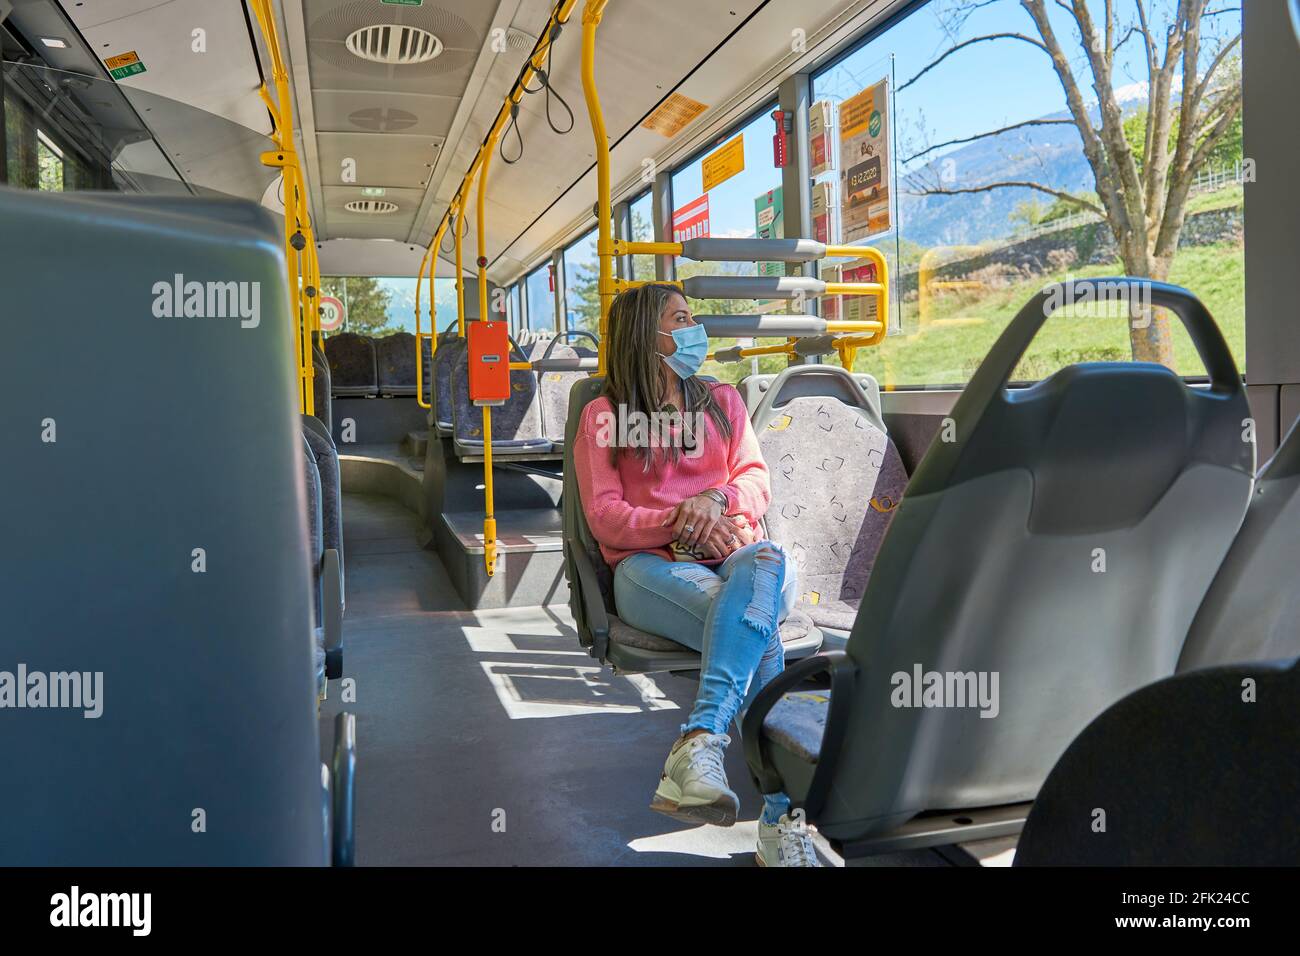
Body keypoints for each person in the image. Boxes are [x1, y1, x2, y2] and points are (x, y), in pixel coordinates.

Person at [572, 283, 820, 867]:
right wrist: (683, 522)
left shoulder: (723, 402)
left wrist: (715, 500)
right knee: (755, 628)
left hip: (737, 555)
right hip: (649, 567)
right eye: (680, 320)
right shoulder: (605, 416)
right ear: (645, 337)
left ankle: (700, 739)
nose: (694, 331)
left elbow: (755, 482)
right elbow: (606, 517)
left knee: (765, 565)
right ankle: (781, 821)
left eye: (692, 318)